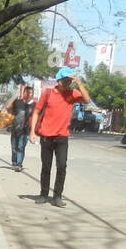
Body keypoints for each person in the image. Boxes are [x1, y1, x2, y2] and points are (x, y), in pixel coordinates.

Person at [30, 67, 91, 206]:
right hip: (46, 136)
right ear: (58, 81)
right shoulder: (48, 93)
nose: (68, 83)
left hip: (62, 137)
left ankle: (57, 196)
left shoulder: (73, 94)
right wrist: (32, 132)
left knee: (62, 166)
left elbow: (87, 100)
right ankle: (43, 194)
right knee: (46, 167)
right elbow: (36, 112)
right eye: (65, 81)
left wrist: (79, 83)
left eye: (69, 81)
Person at [5, 84, 34, 171]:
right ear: (24, 93)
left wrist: (33, 131)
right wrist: (15, 97)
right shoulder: (18, 102)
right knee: (14, 148)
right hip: (15, 129)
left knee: (21, 147)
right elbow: (8, 108)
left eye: (30, 93)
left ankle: (19, 164)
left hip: (25, 131)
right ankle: (14, 163)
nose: (29, 94)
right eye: (27, 92)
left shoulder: (34, 105)